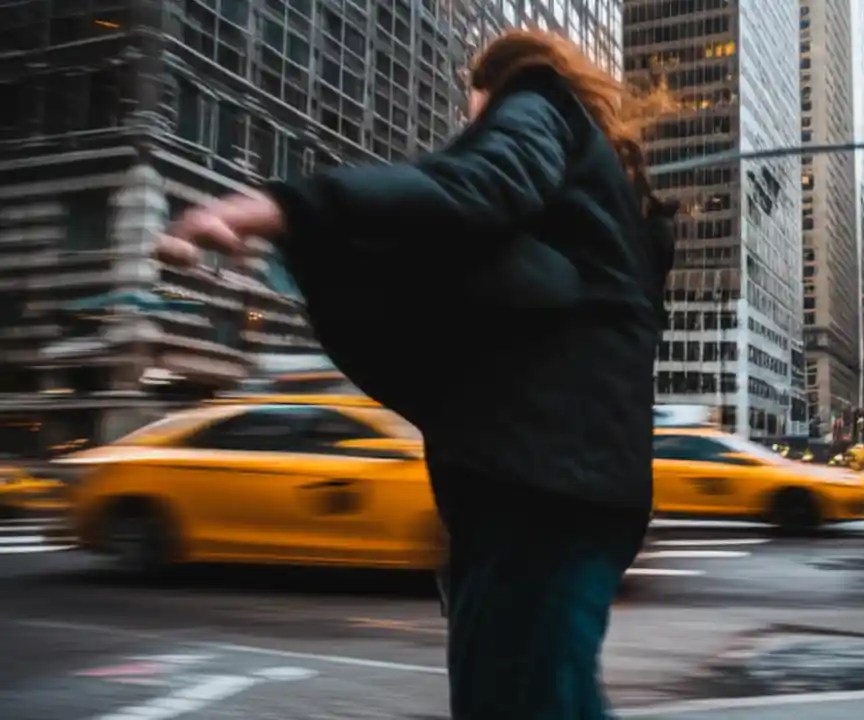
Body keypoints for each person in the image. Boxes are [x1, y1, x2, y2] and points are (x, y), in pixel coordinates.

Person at [158, 29, 675, 719]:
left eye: (473, 107)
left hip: (537, 484)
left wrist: (285, 207)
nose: (471, 125)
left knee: (514, 699)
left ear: (491, 86)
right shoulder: (607, 209)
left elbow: (474, 188)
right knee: (545, 694)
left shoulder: (533, 101)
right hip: (584, 490)